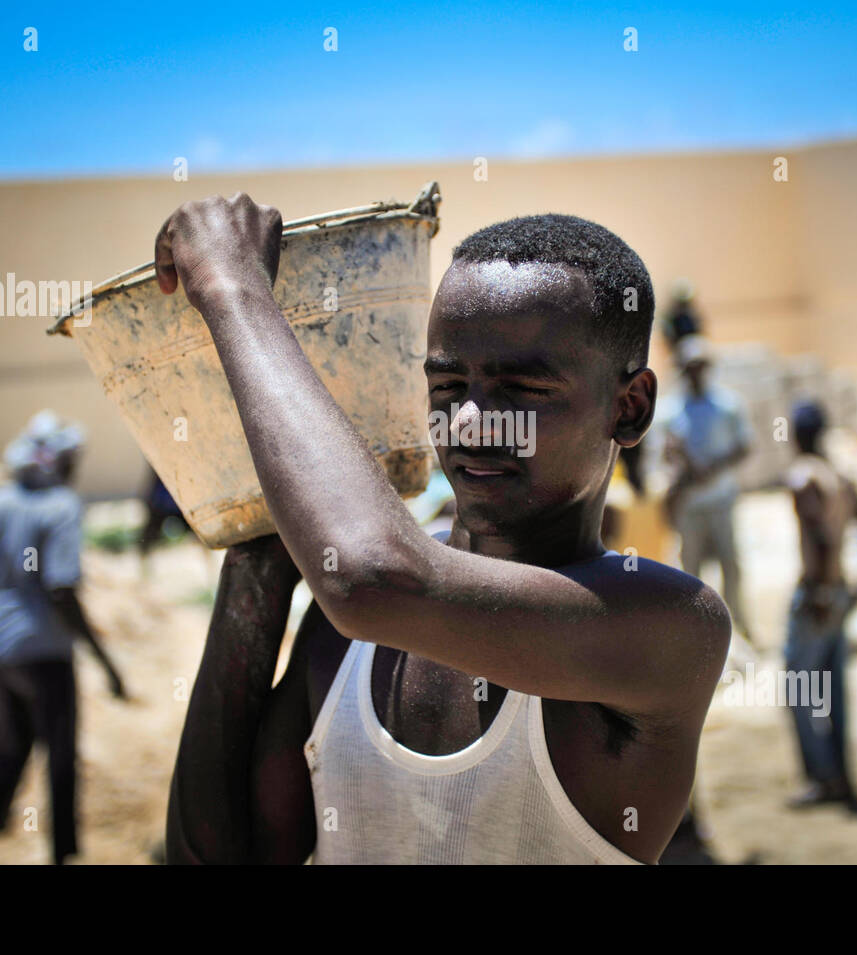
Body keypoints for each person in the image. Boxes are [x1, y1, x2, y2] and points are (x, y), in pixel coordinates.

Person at [161, 197, 731, 864]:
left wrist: (231, 287)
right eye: (448, 385)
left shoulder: (672, 626)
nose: (468, 424)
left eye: (521, 388)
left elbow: (369, 577)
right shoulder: (350, 638)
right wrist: (256, 561)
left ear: (628, 409)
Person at [0, 411, 127, 864]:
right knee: (61, 762)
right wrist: (105, 662)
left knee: (6, 758)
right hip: (42, 654)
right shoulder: (62, 507)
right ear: (63, 463)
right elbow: (61, 589)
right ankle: (63, 855)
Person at [782, 399, 857, 808]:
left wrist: (818, 591)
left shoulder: (804, 478)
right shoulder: (843, 476)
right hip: (840, 592)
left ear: (798, 434)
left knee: (800, 689)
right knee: (833, 690)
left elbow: (819, 535)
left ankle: (822, 780)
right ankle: (842, 777)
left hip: (818, 594)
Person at [662, 335, 756, 646]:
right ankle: (698, 633)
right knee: (691, 570)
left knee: (731, 564)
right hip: (690, 503)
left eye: (700, 366)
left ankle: (738, 626)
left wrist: (714, 468)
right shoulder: (672, 410)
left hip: (720, 499)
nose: (695, 373)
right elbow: (665, 454)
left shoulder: (727, 405)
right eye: (690, 367)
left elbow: (745, 446)